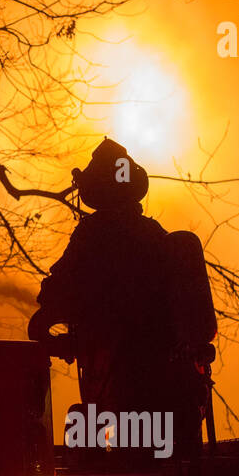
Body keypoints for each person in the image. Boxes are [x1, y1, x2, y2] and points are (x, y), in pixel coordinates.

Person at [29, 138, 207, 458]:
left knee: (90, 441)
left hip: (119, 383)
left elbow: (60, 289)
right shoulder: (155, 235)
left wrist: (50, 318)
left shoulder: (91, 235)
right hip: (170, 394)